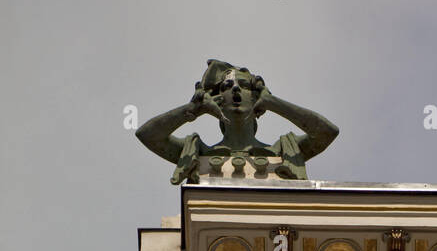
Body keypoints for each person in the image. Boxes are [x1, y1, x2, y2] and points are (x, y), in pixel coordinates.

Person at [136, 60, 339, 183]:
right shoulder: (197, 153)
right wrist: (190, 110)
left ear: (256, 97)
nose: (235, 89)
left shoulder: (285, 152)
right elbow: (147, 135)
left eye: (243, 85)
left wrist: (274, 103)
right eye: (227, 85)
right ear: (217, 99)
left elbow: (327, 133)